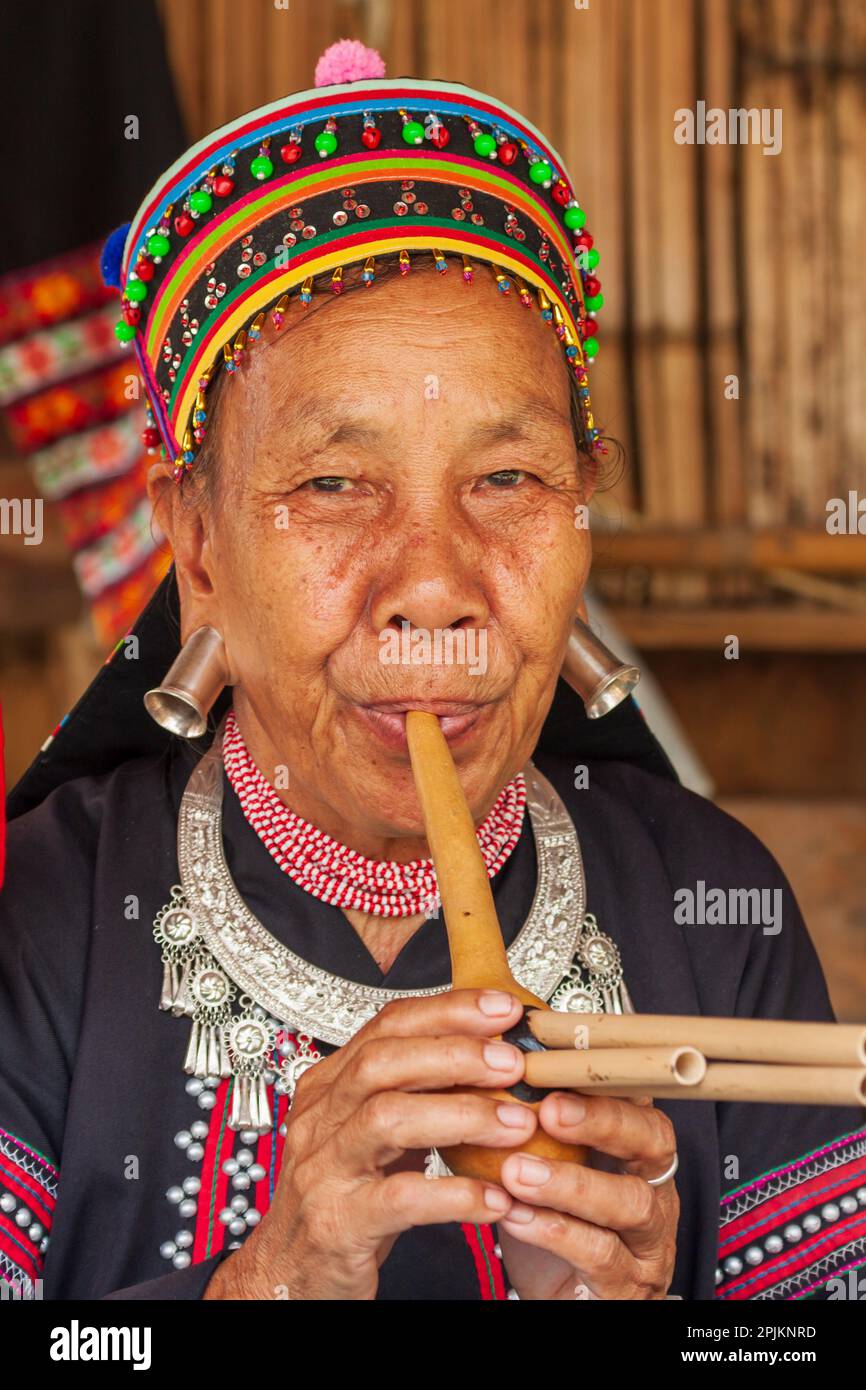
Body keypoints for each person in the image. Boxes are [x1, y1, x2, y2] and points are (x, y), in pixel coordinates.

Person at [1, 40, 863, 1302]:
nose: (434, 582)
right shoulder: (42, 917)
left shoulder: (713, 908)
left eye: (506, 480)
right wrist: (269, 1282)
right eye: (335, 484)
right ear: (195, 542)